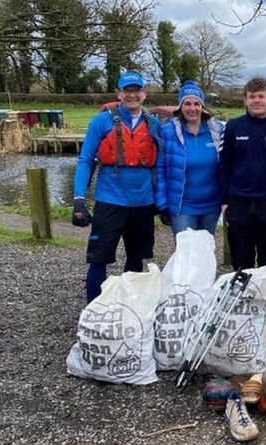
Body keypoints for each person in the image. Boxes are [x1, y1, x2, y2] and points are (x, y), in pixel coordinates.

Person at [72, 71, 161, 303]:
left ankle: (131, 309)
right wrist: (79, 198)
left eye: (137, 90)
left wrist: (163, 202)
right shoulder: (101, 121)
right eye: (127, 91)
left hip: (142, 203)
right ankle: (94, 311)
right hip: (110, 201)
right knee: (98, 258)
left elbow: (162, 165)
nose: (132, 95)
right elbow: (85, 160)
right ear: (119, 94)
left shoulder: (154, 124)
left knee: (136, 258)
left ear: (144, 94)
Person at [218, 76, 266, 270]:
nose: (256, 101)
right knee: (241, 261)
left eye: (261, 96)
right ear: (245, 100)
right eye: (252, 97)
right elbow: (223, 165)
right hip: (238, 204)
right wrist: (225, 201)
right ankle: (243, 299)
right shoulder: (232, 127)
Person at [156, 80, 224, 236]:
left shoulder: (217, 130)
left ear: (202, 106)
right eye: (187, 104)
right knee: (186, 253)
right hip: (182, 206)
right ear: (180, 106)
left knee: (205, 250)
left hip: (211, 205)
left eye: (196, 104)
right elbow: (160, 169)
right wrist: (162, 202)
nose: (192, 108)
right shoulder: (168, 132)